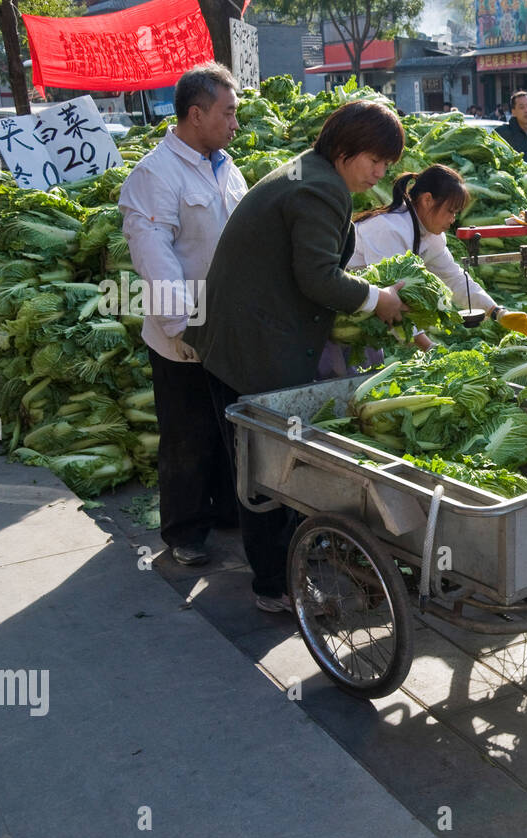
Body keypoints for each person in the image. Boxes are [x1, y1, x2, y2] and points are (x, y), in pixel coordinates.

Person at [184, 101, 409, 613]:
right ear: (347, 148)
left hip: (242, 339)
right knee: (265, 475)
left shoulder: (310, 171)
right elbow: (318, 278)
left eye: (387, 166)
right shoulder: (319, 187)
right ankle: (275, 587)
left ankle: (280, 570)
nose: (379, 174)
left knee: (259, 466)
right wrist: (380, 300)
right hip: (253, 347)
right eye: (375, 160)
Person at [119, 63, 247, 569]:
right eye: (228, 112)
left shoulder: (225, 165)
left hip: (227, 328)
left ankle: (223, 511)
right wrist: (182, 329)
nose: (235, 123)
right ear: (196, 114)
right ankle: (184, 531)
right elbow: (156, 258)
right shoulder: (156, 174)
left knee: (225, 427)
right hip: (184, 333)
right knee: (186, 434)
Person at [317, 163, 527, 373]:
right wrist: (428, 346)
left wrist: (497, 312)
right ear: (427, 200)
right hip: (330, 323)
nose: (453, 219)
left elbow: (454, 278)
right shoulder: (389, 229)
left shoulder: (430, 235)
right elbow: (391, 301)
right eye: (451, 211)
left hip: (363, 326)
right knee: (332, 392)